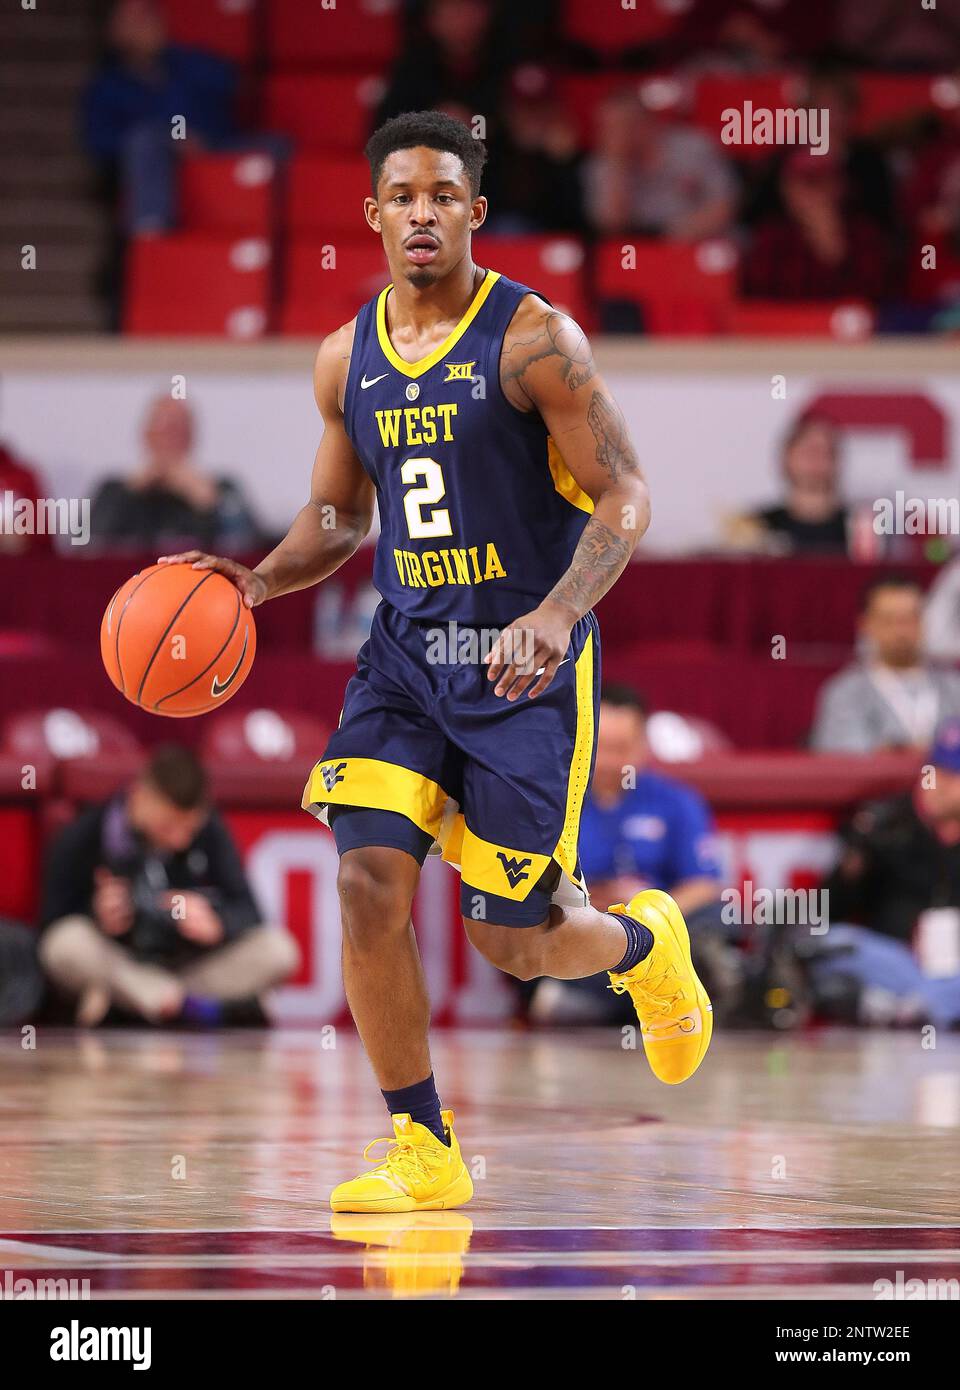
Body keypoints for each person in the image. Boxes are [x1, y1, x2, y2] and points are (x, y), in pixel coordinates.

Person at [158, 109, 713, 1214]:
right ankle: (423, 1142)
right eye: (403, 195)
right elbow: (337, 516)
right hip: (406, 658)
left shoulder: (534, 339)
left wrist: (557, 613)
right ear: (372, 215)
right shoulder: (344, 356)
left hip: (523, 671)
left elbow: (628, 493)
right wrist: (255, 583)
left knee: (513, 941)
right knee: (366, 879)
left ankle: (645, 946)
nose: (423, 211)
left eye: (444, 194)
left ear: (475, 212)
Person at [38, 745, 299, 1027]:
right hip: (122, 961)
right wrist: (97, 914)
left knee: (278, 950)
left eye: (189, 829)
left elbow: (250, 912)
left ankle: (146, 1006)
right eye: (167, 826)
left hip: (188, 967)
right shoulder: (85, 834)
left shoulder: (210, 830)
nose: (180, 841)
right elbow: (52, 923)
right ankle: (182, 1006)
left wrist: (217, 922)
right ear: (139, 797)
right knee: (63, 945)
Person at [531, 685, 726, 1024]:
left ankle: (613, 1003)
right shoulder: (551, 803)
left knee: (717, 918)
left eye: (621, 748)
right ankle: (662, 1004)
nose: (609, 761)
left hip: (662, 931)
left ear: (643, 747)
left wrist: (649, 913)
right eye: (600, 747)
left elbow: (703, 885)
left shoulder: (677, 801)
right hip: (586, 930)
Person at [810, 719, 960, 1028]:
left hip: (954, 968)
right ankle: (919, 1007)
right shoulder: (885, 821)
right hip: (896, 961)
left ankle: (910, 1007)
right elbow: (828, 909)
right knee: (832, 943)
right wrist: (854, 863)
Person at [90, 396, 260, 553]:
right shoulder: (114, 491)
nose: (169, 441)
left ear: (190, 437)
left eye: (177, 431)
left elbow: (250, 548)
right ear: (146, 435)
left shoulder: (223, 489)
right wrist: (127, 495)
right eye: (162, 430)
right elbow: (88, 548)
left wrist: (209, 504)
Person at [810, 575, 960, 753]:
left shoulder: (953, 686)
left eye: (910, 618)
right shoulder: (845, 693)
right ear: (866, 624)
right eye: (889, 620)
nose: (901, 631)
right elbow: (842, 759)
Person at [583, 88, 738, 242]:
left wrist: (674, 239)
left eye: (624, 124)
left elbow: (724, 206)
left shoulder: (693, 147)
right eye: (608, 128)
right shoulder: (603, 165)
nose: (617, 135)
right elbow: (612, 225)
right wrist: (617, 167)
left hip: (697, 242)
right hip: (638, 250)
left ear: (646, 122)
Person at [743, 150, 893, 302]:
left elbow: (874, 302)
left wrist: (834, 252)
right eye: (805, 183)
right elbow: (756, 301)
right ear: (785, 189)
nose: (814, 193)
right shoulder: (770, 236)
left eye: (822, 182)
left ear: (841, 186)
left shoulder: (864, 234)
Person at [724, 412, 849, 555]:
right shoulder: (756, 528)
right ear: (786, 458)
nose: (817, 461)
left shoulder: (861, 532)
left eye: (827, 452)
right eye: (809, 452)